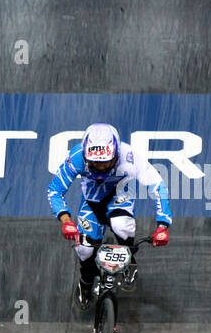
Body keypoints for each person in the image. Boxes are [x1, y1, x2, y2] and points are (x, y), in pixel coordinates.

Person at [48, 122, 171, 306]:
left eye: (105, 162)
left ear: (116, 155)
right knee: (84, 249)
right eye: (95, 163)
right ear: (85, 155)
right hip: (91, 202)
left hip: (120, 197)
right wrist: (65, 220)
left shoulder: (129, 156)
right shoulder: (76, 157)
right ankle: (86, 280)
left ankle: (129, 260)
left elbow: (158, 186)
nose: (100, 168)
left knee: (122, 226)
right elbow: (54, 190)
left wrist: (162, 225)